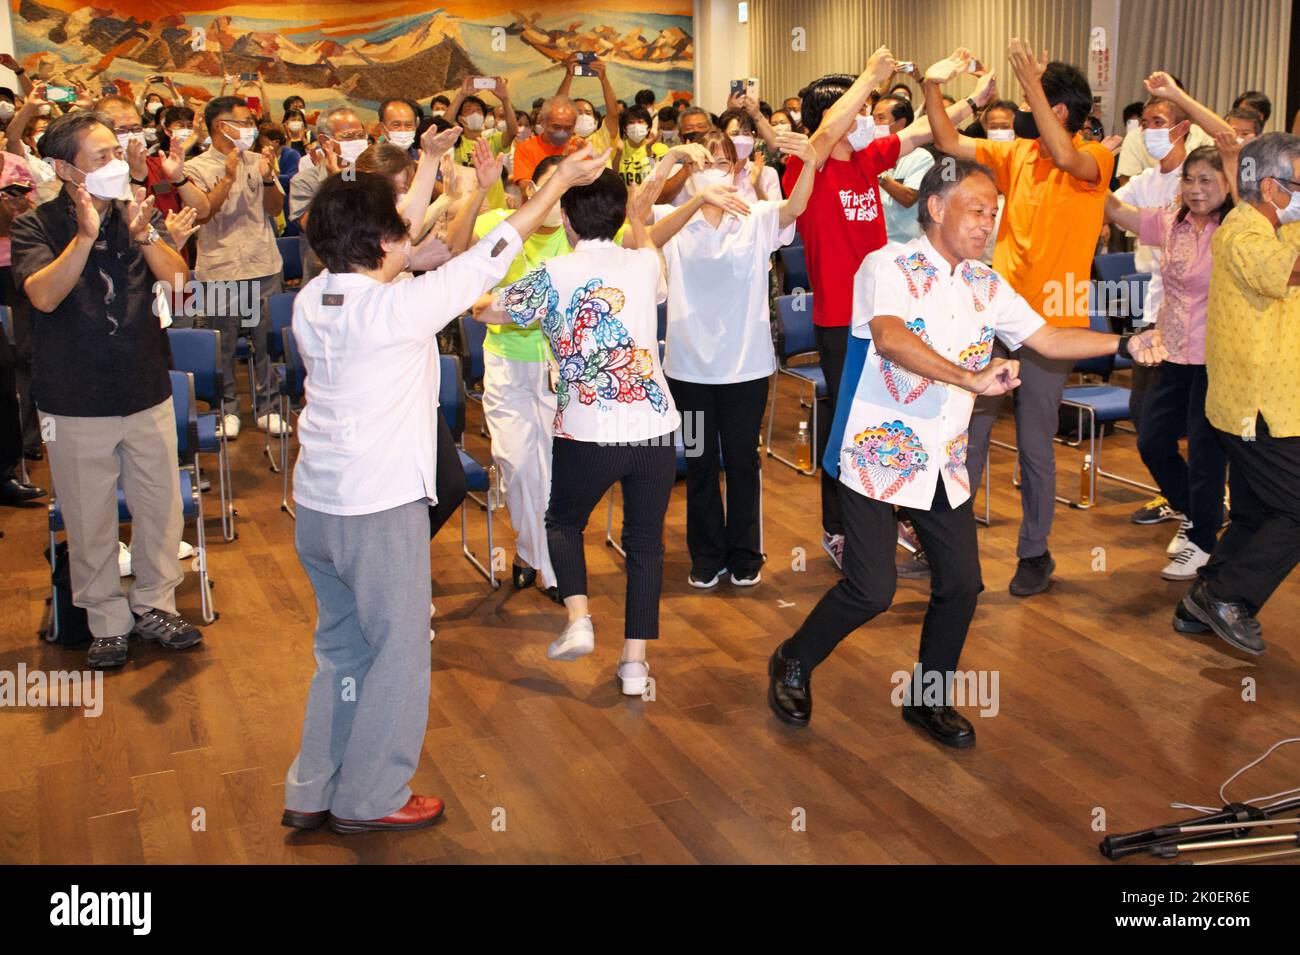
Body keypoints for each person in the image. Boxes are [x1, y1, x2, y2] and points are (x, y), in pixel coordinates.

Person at [766, 157, 1164, 745]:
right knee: (871, 590)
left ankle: (927, 700)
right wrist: (970, 378)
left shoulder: (986, 281)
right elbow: (891, 338)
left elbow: (1048, 338)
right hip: (879, 451)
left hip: (942, 458)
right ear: (935, 207)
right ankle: (793, 661)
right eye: (977, 210)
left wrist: (1128, 340)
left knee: (961, 585)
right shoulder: (887, 264)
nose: (988, 224)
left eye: (994, 214)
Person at [280, 143, 608, 835]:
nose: (409, 235)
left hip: (318, 505)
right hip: (377, 506)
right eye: (397, 230)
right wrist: (558, 184)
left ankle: (313, 783)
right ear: (379, 244)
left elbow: (416, 249)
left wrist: (434, 179)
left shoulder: (315, 298)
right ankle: (370, 795)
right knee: (398, 650)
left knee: (340, 651)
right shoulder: (394, 311)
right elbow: (493, 250)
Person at [780, 47, 995, 571]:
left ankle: (892, 508)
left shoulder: (869, 160)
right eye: (860, 112)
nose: (867, 123)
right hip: (840, 322)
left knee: (895, 415)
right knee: (850, 422)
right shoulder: (803, 166)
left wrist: (974, 99)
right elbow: (828, 130)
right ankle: (839, 526)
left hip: (891, 317)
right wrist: (871, 76)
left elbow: (925, 130)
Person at [11, 110, 206, 669]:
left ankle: (156, 604)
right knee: (89, 513)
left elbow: (178, 283)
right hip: (75, 398)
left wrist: (144, 232)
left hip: (145, 385)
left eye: (117, 154)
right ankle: (105, 620)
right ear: (65, 169)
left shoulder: (134, 215)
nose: (117, 164)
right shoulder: (36, 226)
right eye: (102, 158)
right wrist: (86, 235)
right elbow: (43, 297)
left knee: (158, 506)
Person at [476, 164, 676, 697]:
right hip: (655, 428)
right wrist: (640, 221)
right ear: (616, 215)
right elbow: (654, 272)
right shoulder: (641, 263)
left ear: (564, 217)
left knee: (563, 523)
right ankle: (635, 664)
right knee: (645, 544)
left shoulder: (553, 274)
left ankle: (580, 620)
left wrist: (480, 299)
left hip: (587, 430)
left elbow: (487, 311)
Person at [926, 42, 1117, 596]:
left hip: (1051, 327)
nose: (1026, 110)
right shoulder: (1018, 157)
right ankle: (947, 544)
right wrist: (933, 89)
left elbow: (1069, 157)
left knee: (1035, 445)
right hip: (994, 320)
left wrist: (1033, 81)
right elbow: (948, 141)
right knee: (970, 436)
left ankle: (1034, 554)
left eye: (1036, 100)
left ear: (1057, 111)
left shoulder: (1095, 159)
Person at [653, 127, 816, 588]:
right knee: (701, 461)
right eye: (703, 163)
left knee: (742, 460)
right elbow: (635, 217)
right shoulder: (675, 218)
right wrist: (670, 161)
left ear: (739, 168)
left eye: (723, 163)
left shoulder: (757, 216)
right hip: (689, 369)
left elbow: (795, 207)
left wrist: (811, 160)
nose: (713, 173)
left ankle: (746, 552)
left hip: (745, 367)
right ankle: (706, 555)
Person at [1175, 133, 1300, 656]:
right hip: (1257, 405)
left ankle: (1200, 601)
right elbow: (1287, 273)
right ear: (1271, 188)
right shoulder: (1241, 231)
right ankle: (1229, 597)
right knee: (1296, 508)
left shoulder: (1282, 227)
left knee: (1257, 512)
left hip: (1272, 402)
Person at [1108, 74, 1235, 527]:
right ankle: (1195, 510)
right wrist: (1086, 173)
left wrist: (1178, 96)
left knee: (1205, 450)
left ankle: (1201, 536)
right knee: (1152, 439)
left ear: (1227, 182)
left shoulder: (1237, 223)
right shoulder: (1170, 222)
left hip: (1217, 355)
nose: (1196, 188)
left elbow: (1229, 140)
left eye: (1207, 179)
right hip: (1171, 347)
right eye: (1189, 181)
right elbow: (1116, 210)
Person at [185, 95, 288, 438]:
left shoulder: (260, 159)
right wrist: (228, 178)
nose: (250, 129)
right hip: (221, 267)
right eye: (243, 122)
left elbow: (275, 210)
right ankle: (226, 409)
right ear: (221, 126)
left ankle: (269, 408)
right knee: (223, 346)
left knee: (266, 343)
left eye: (250, 123)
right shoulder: (195, 168)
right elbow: (202, 213)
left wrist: (270, 178)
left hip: (263, 264)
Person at [0, 152, 44, 503]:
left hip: (12, 267)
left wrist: (13, 210)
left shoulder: (13, 164)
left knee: (15, 362)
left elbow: (24, 219)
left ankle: (8, 467)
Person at [288, 107, 367, 283]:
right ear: (325, 141)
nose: (357, 141)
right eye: (348, 137)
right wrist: (334, 184)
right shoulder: (305, 180)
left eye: (360, 135)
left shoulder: (371, 176)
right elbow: (310, 227)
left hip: (368, 272)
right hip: (324, 275)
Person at [875, 94, 934, 243]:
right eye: (872, 118)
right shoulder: (870, 153)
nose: (874, 124)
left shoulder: (921, 157)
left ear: (901, 123)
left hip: (907, 247)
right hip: (875, 242)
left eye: (880, 118)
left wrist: (878, 174)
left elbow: (908, 198)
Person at [512, 96, 578, 186]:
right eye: (556, 127)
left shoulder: (579, 147)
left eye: (568, 128)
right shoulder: (526, 148)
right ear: (543, 122)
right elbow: (527, 189)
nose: (562, 133)